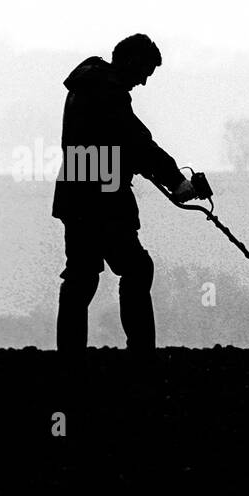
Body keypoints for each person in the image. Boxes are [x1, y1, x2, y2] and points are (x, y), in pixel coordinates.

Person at [52, 33, 198, 359]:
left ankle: (69, 361)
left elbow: (115, 145)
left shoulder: (86, 85)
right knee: (136, 268)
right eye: (145, 72)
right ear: (132, 62)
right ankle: (141, 357)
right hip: (101, 199)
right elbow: (135, 142)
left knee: (81, 277)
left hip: (75, 193)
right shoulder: (108, 91)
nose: (144, 82)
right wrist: (176, 180)